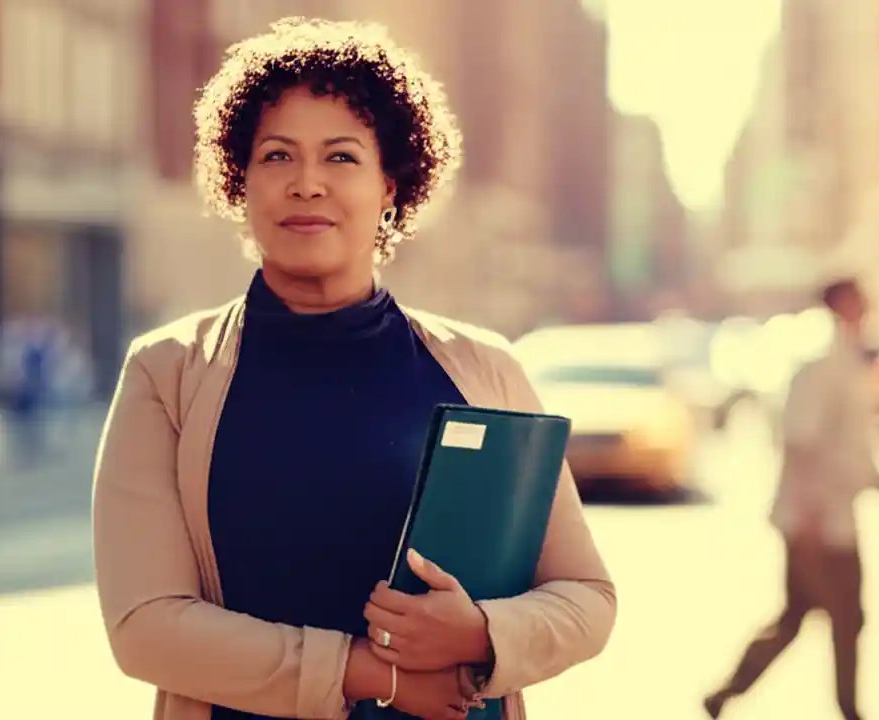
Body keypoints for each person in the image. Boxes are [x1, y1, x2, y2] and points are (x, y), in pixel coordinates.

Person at [93, 18, 615, 720]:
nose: (306, 184)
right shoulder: (167, 374)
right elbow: (145, 628)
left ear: (392, 186)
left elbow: (585, 595)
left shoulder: (484, 369)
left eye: (341, 158)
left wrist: (483, 633)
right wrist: (367, 673)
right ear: (240, 182)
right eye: (277, 157)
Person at [703, 278, 879, 720]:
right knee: (843, 617)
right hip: (819, 522)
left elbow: (855, 450)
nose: (868, 310)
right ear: (841, 305)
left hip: (831, 517)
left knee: (799, 616)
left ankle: (724, 695)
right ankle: (848, 710)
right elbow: (802, 443)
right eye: (859, 301)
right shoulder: (821, 363)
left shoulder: (849, 363)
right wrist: (808, 517)